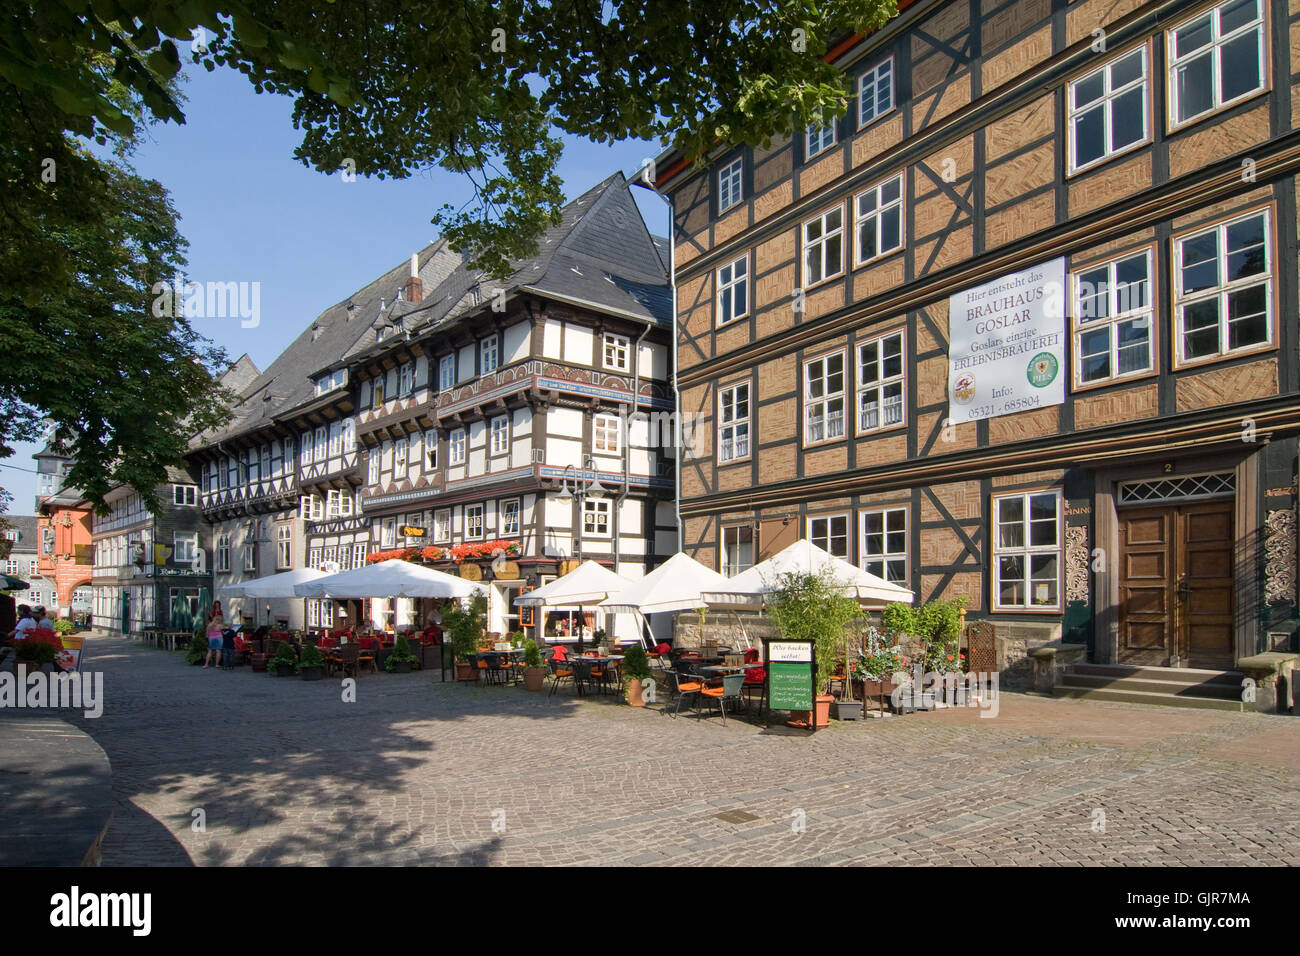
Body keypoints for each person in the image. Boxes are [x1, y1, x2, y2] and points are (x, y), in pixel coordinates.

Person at [204, 602, 225, 669]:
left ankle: (206, 664)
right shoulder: (220, 625)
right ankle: (217, 664)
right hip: (219, 638)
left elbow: (207, 634)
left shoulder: (209, 625)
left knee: (209, 651)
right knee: (218, 651)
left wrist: (207, 638)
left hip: (211, 638)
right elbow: (224, 631)